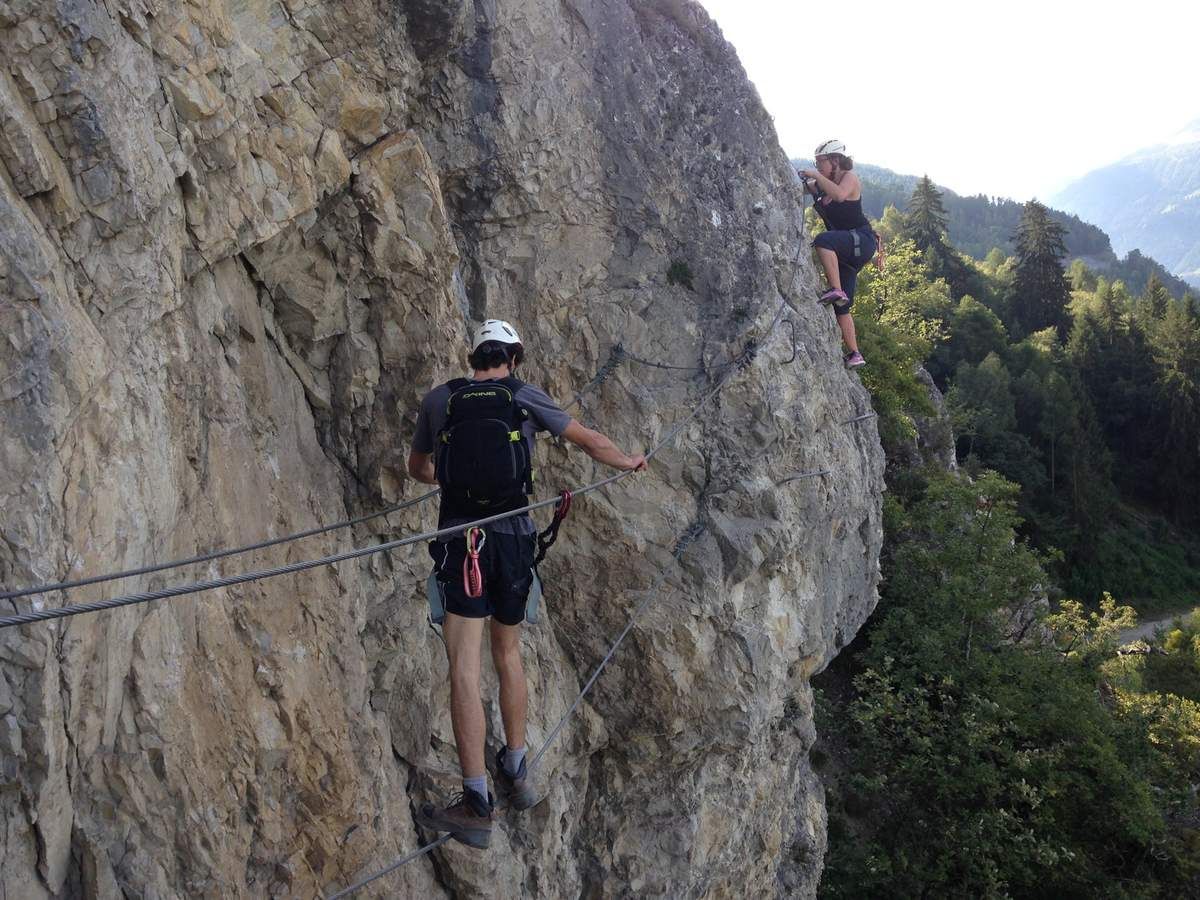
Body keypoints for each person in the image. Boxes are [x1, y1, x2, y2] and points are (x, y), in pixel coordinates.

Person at [408, 319, 647, 849]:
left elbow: (417, 468)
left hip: (461, 542)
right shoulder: (522, 395)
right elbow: (587, 441)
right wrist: (628, 460)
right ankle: (515, 767)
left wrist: (451, 475)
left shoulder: (439, 401)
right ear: (513, 358)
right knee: (508, 653)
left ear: (473, 358)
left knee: (463, 669)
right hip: (514, 540)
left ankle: (475, 803)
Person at [800, 139, 879, 369]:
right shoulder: (822, 184)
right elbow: (804, 187)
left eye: (821, 162)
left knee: (823, 240)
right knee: (842, 306)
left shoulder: (849, 178)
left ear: (835, 160)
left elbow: (840, 195)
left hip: (861, 240)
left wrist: (816, 176)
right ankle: (855, 353)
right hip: (847, 251)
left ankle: (836, 289)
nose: (818, 165)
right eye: (816, 163)